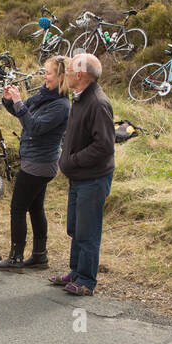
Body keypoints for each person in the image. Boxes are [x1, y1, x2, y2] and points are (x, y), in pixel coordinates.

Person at [0, 56, 72, 270]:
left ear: (61, 77)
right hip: (36, 160)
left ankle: (15, 257)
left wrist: (19, 102)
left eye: (48, 73)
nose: (44, 76)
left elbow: (34, 126)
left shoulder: (61, 105)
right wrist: (9, 99)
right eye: (44, 72)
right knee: (35, 208)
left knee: (17, 208)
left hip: (40, 163)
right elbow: (20, 113)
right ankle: (39, 256)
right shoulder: (44, 96)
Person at [47, 53, 114, 295]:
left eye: (71, 68)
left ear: (80, 75)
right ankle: (75, 272)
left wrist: (73, 160)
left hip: (93, 178)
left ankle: (86, 281)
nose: (65, 73)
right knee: (75, 228)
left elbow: (104, 146)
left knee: (88, 230)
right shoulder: (80, 97)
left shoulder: (98, 103)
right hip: (79, 176)